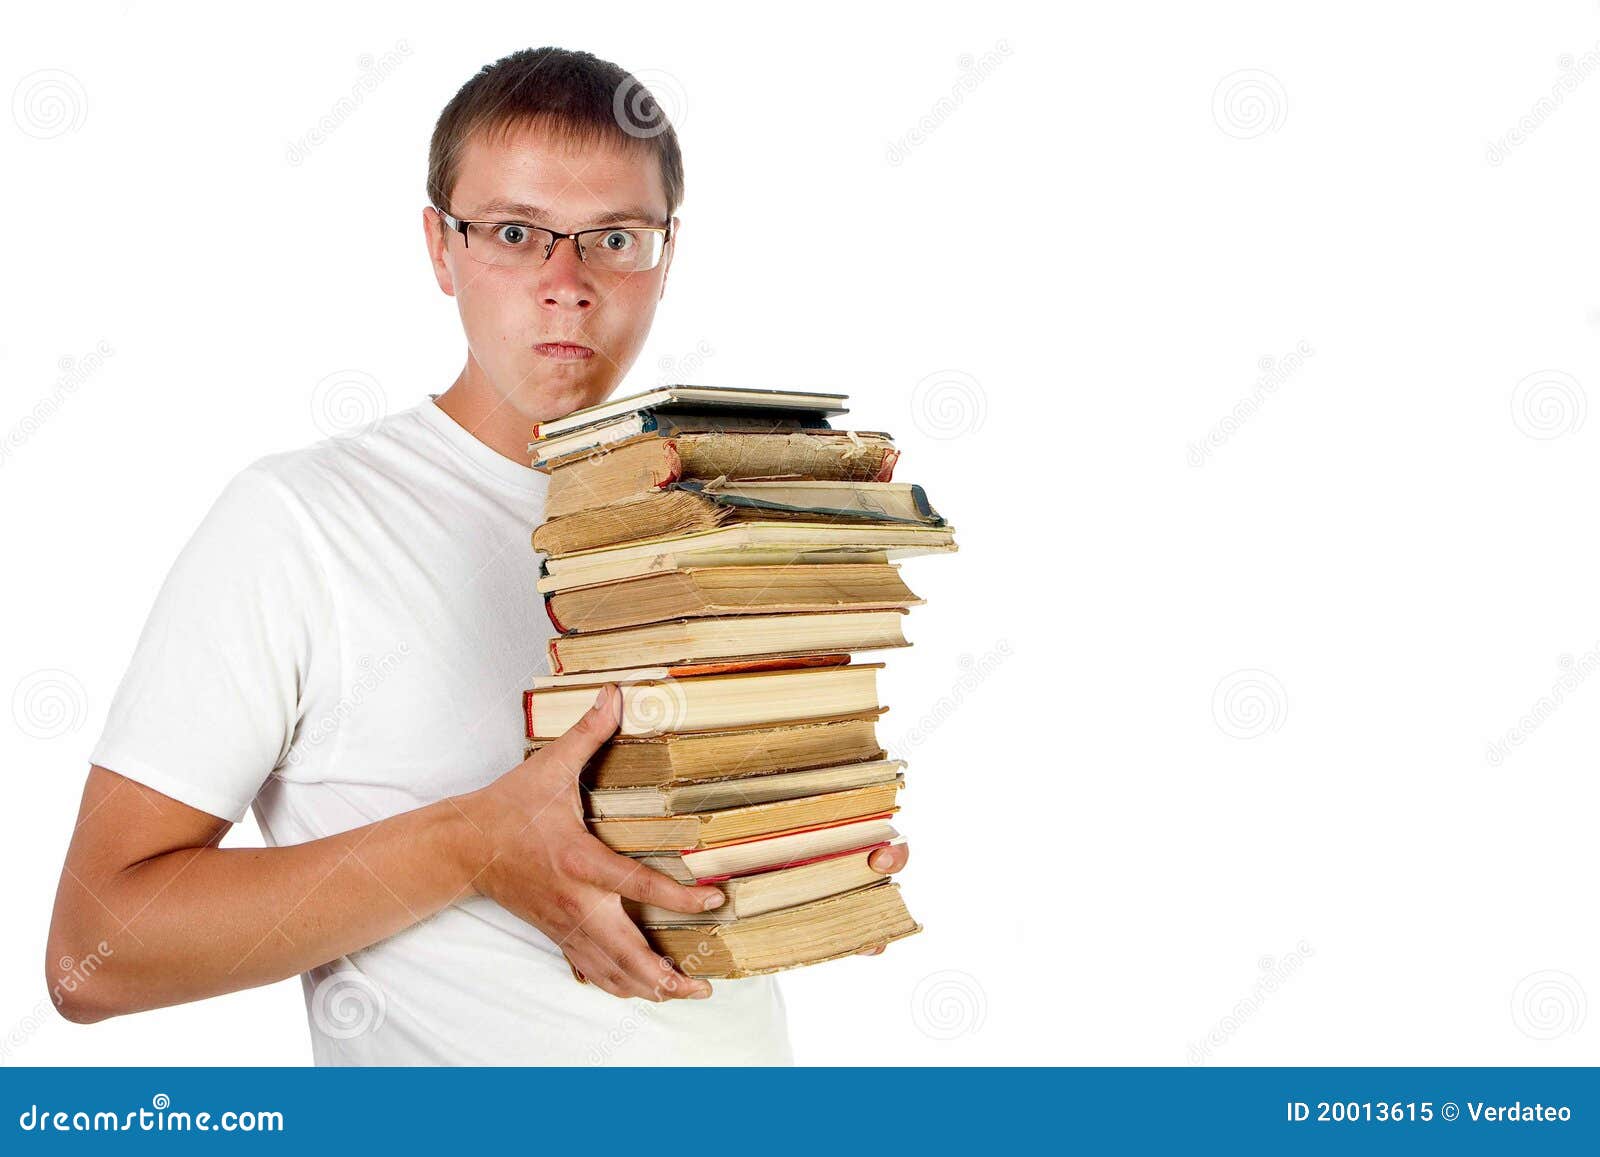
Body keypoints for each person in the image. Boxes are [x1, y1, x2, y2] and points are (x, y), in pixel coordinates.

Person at [44, 45, 908, 1065]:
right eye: (513, 232)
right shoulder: (299, 524)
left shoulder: (715, 515)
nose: (567, 285)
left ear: (665, 254)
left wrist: (800, 857)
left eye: (612, 238)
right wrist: (472, 845)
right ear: (439, 247)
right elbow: (94, 954)